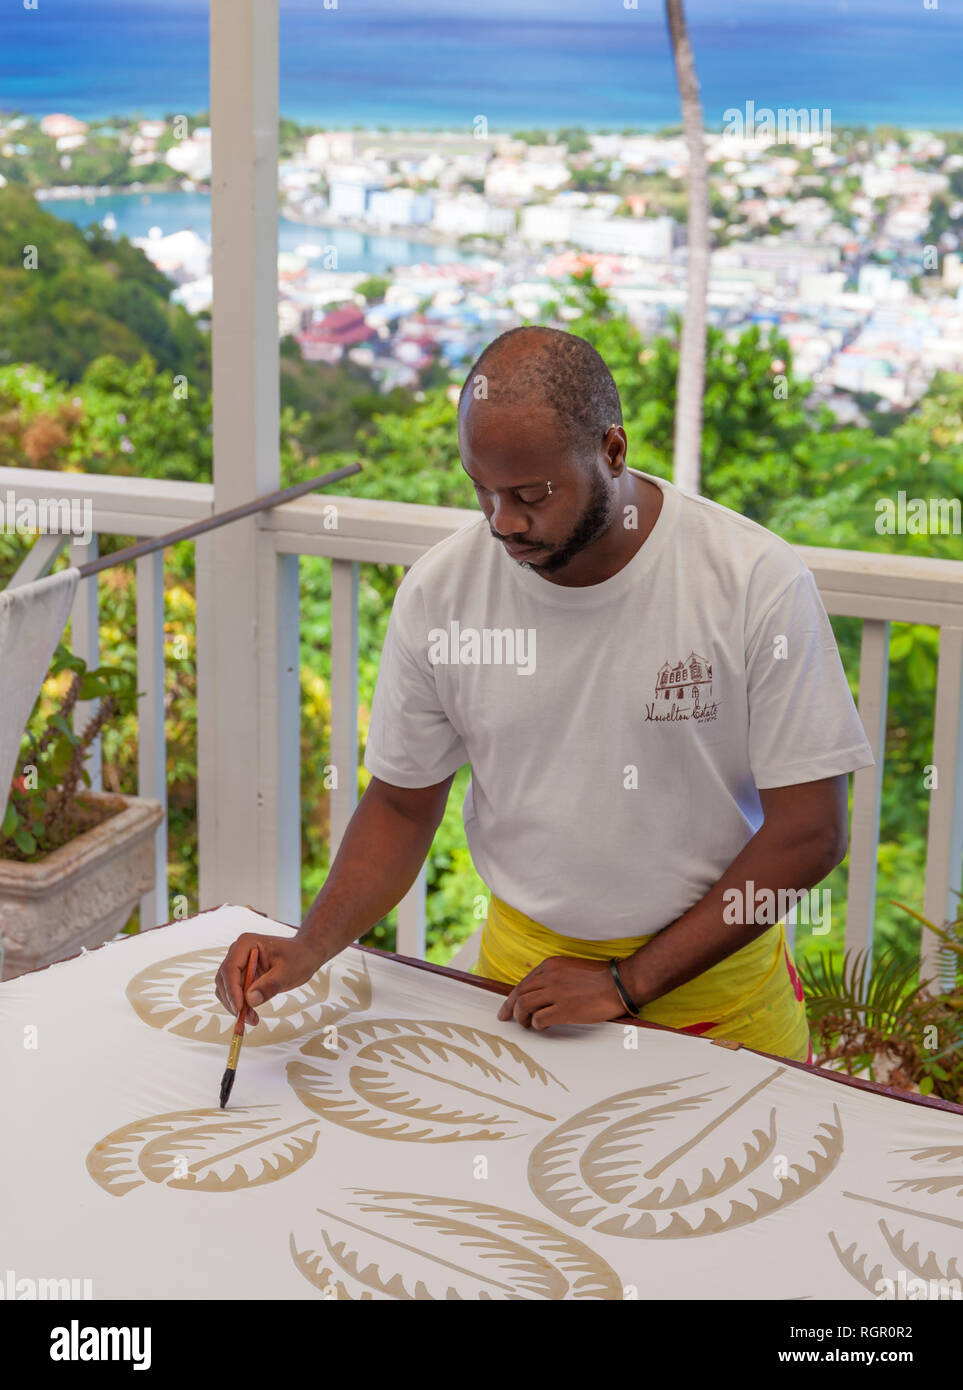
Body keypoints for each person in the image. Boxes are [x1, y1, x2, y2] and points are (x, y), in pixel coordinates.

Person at [215, 326, 875, 1062]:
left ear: (612, 451)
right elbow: (402, 805)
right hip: (522, 989)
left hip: (718, 1006)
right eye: (482, 490)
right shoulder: (442, 591)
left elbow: (809, 833)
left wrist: (625, 984)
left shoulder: (751, 579)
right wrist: (309, 947)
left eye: (530, 494)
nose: (502, 522)